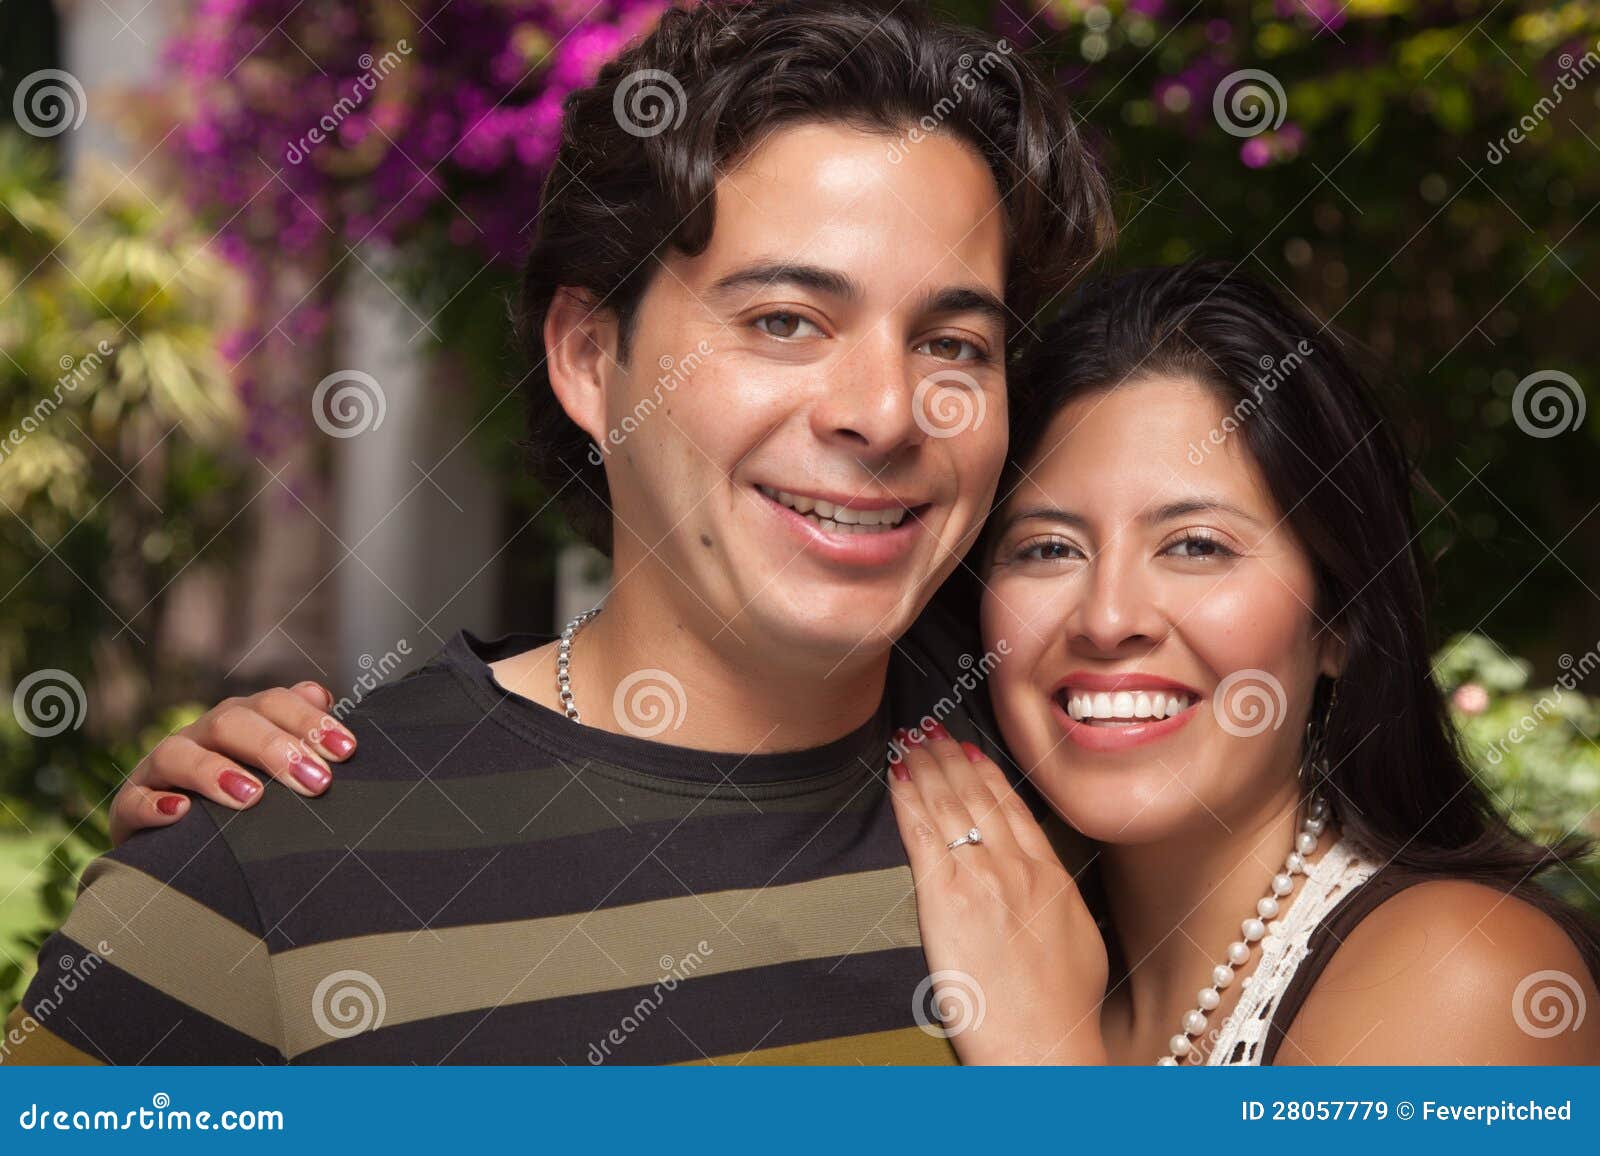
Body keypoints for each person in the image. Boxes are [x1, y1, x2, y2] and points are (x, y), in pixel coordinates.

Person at [0, 0, 1113, 1064]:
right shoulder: (264, 872)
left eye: (953, 344)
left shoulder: (1091, 795)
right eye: (783, 321)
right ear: (588, 357)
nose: (884, 411)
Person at [886, 262, 1600, 1064]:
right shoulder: (995, 957)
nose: (1108, 619)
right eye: (1049, 548)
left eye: (1196, 546)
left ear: (1336, 620)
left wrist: (1042, 1063)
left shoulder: (1466, 977)